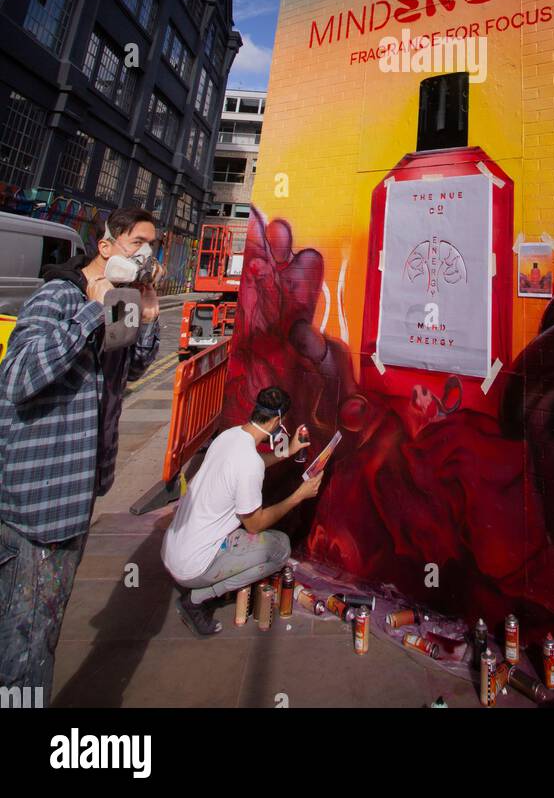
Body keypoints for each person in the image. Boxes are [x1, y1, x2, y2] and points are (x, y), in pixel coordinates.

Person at [0, 207, 161, 698]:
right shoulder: (58, 295)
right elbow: (18, 377)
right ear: (106, 245)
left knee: (34, 628)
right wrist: (93, 309)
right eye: (138, 243)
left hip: (74, 492)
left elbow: (130, 368)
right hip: (37, 500)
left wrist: (145, 315)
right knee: (26, 641)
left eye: (153, 246)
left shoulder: (121, 299)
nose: (147, 255)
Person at [161, 386, 322, 636]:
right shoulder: (248, 464)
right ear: (278, 421)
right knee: (279, 549)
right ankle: (197, 600)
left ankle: (209, 580)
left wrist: (286, 453)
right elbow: (255, 525)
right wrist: (298, 496)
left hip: (173, 551)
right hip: (191, 567)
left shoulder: (230, 436)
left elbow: (251, 464)